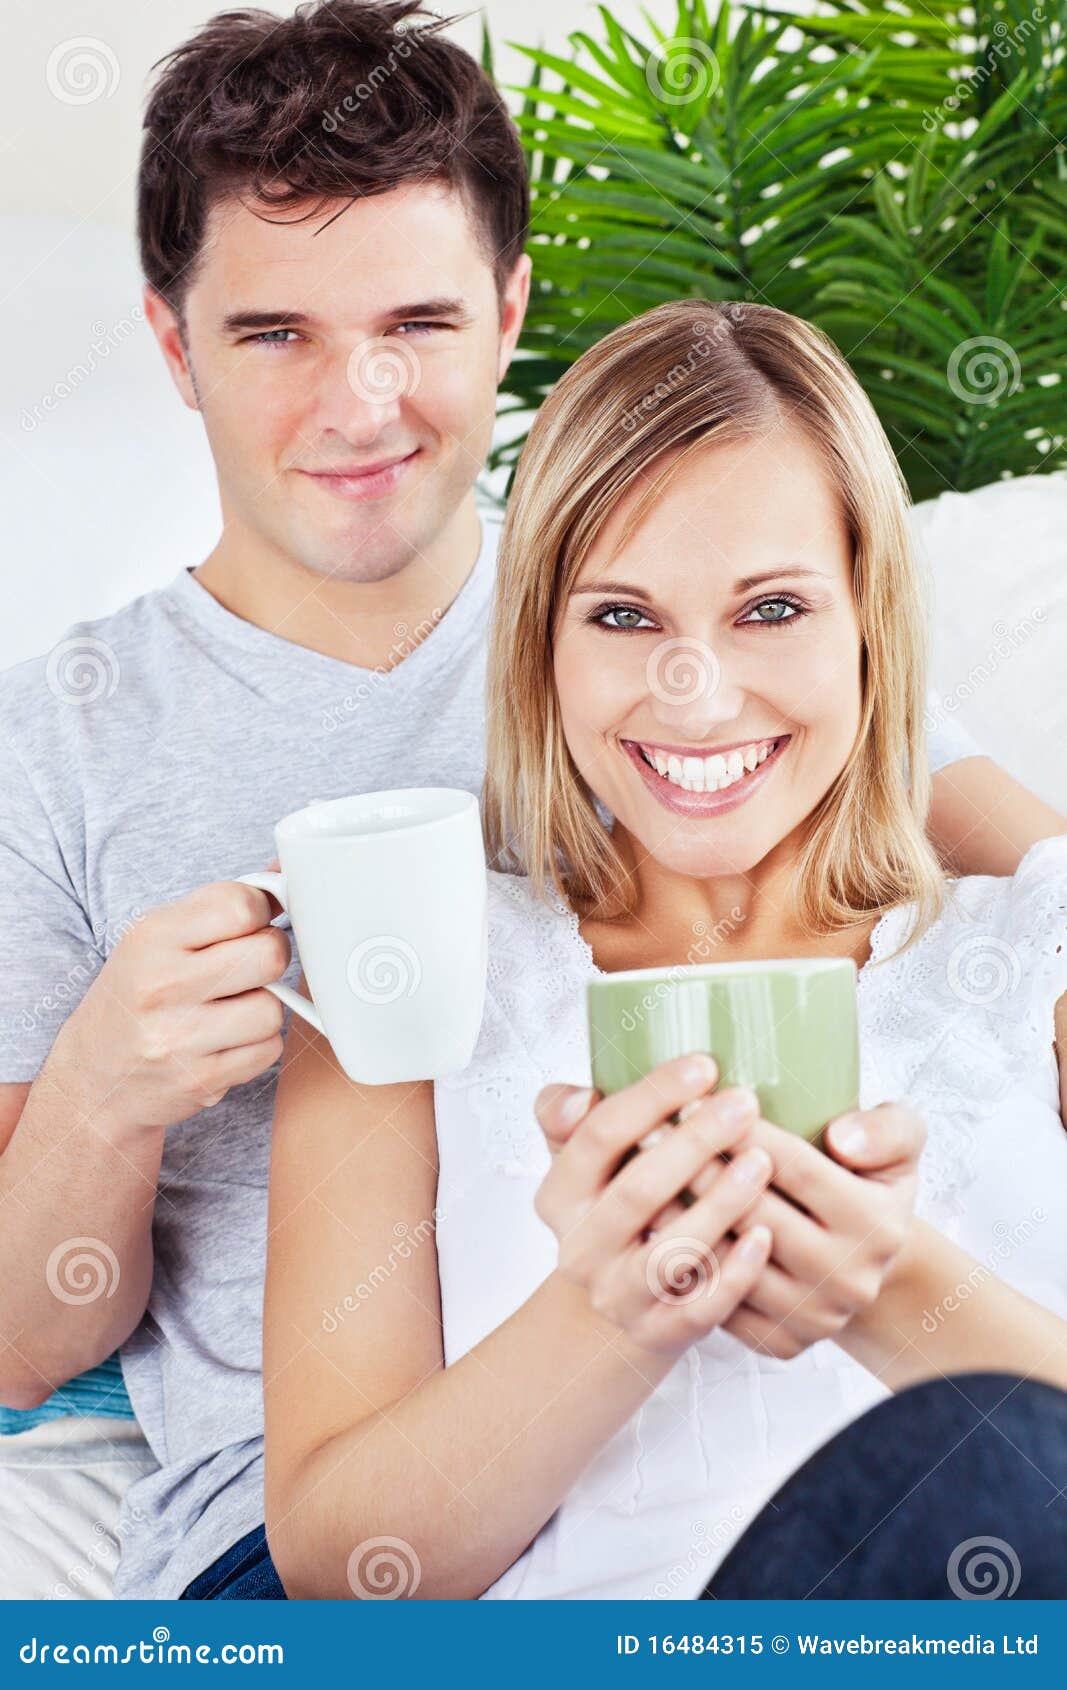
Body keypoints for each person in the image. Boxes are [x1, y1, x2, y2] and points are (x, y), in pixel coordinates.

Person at [0, 1, 1059, 1602]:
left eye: (414, 323)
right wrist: (100, 1093)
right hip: (330, 1544)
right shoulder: (64, 749)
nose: (359, 404)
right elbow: (35, 1351)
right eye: (274, 332)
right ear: (175, 345)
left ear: (507, 315)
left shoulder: (688, 568)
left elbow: (969, 827)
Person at [262, 298, 1067, 1601]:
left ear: (872, 626)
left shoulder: (1033, 947)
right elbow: (344, 1567)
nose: (696, 690)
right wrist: (612, 1311)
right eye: (624, 619)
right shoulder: (417, 977)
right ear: (543, 652)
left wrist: (891, 1285)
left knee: (989, 1465)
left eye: (771, 609)